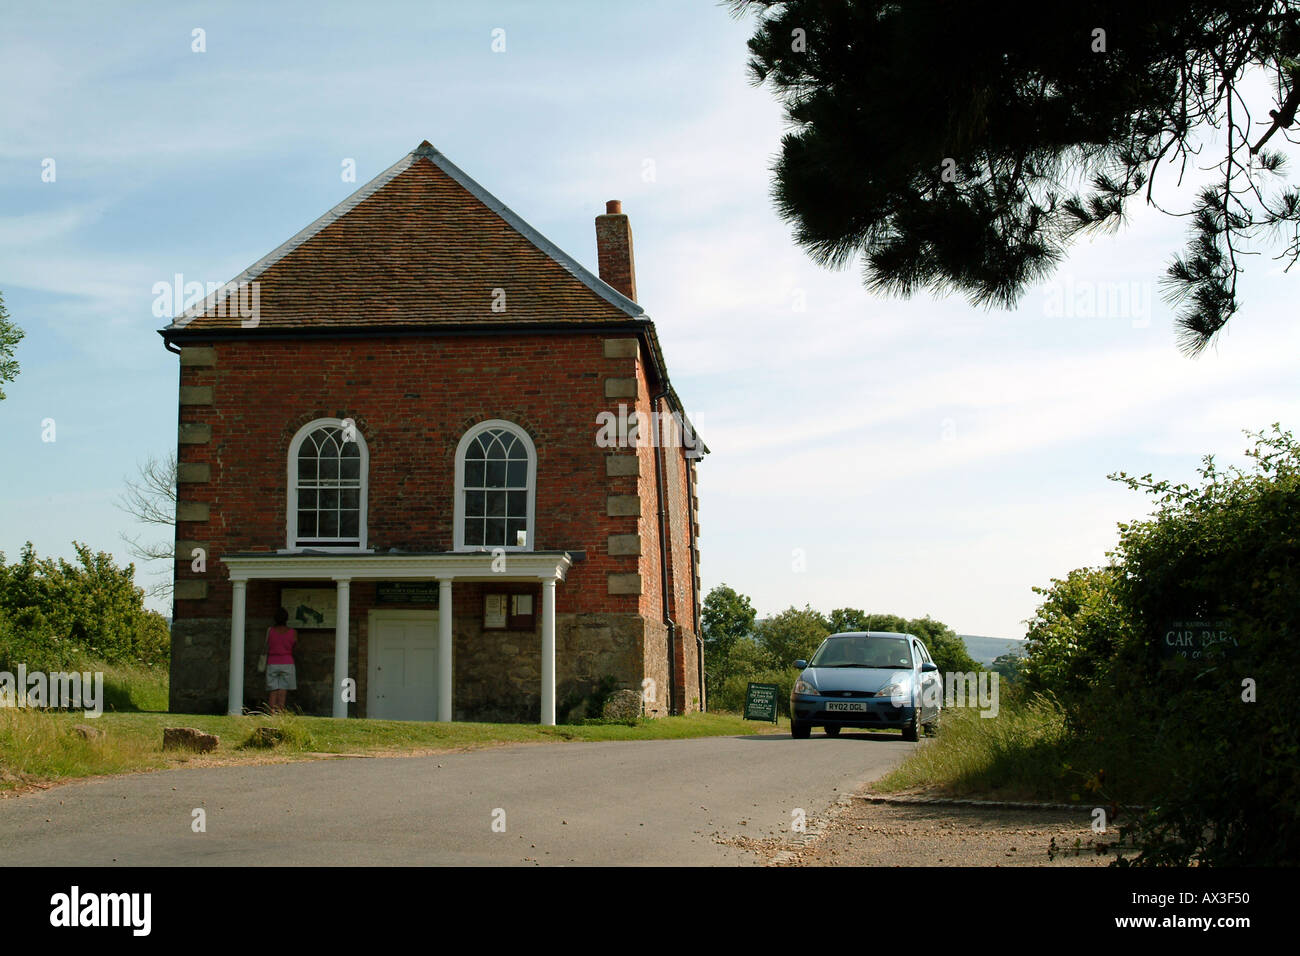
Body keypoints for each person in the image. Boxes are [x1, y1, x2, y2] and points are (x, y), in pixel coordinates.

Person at [265, 607, 298, 714]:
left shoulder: (270, 631)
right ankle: (280, 711)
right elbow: (295, 645)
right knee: (283, 689)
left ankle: (271, 712)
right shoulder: (293, 632)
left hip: (272, 662)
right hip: (287, 662)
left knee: (273, 689)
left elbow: (266, 645)